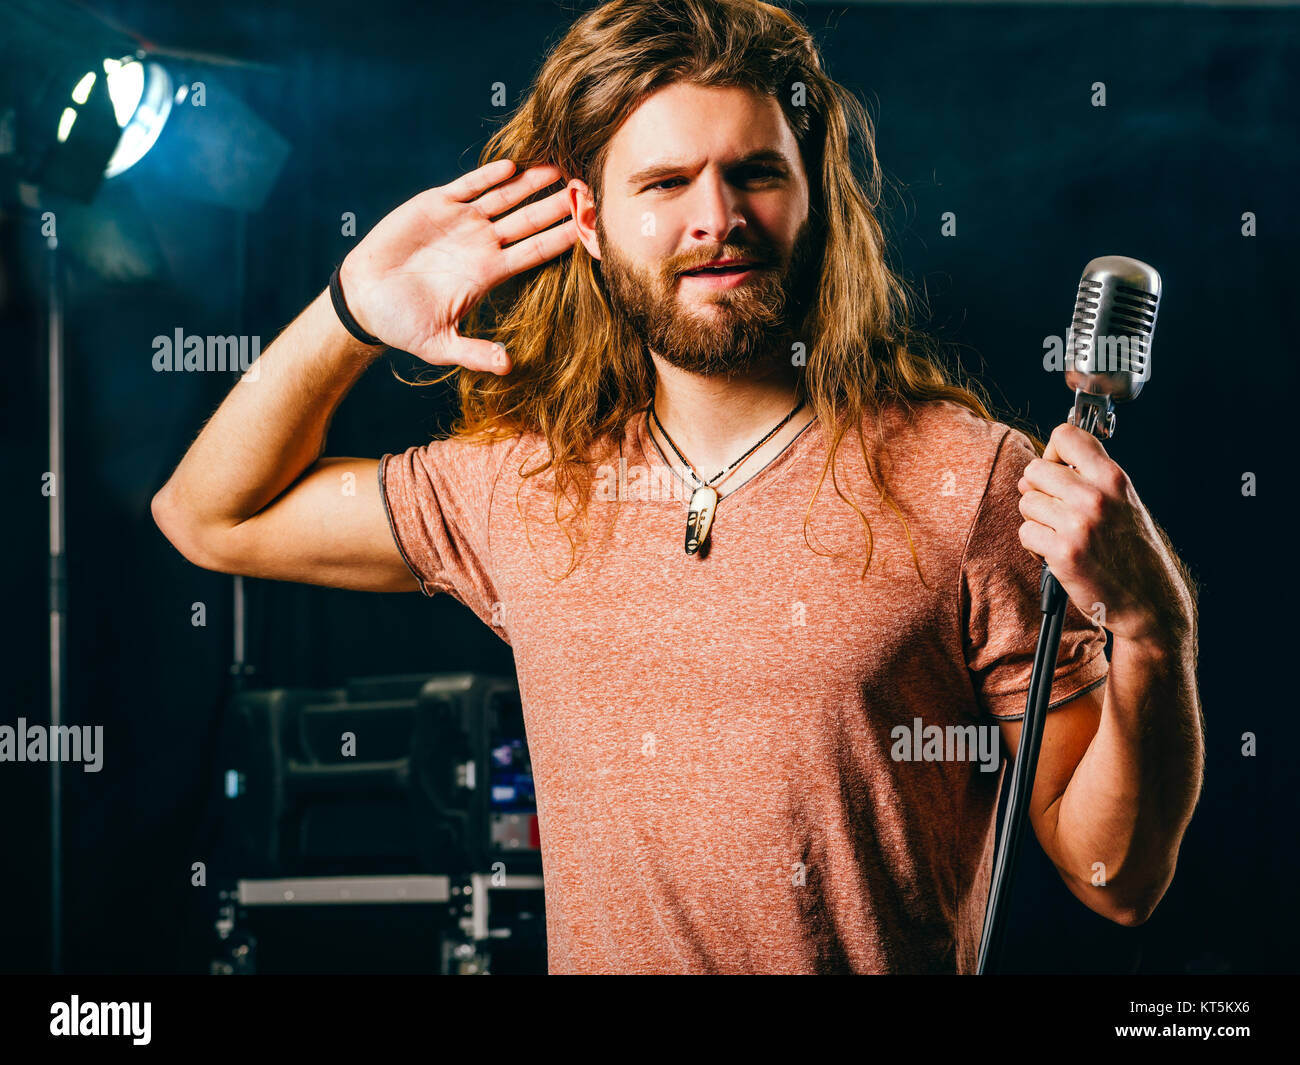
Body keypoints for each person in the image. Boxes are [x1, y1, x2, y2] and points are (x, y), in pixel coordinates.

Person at [152, 0, 1203, 974]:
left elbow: (1115, 880)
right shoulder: (523, 483)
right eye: (663, 184)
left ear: (812, 195)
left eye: (756, 173)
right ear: (589, 218)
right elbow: (207, 517)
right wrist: (349, 313)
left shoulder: (969, 481)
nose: (716, 218)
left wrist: (1154, 632)